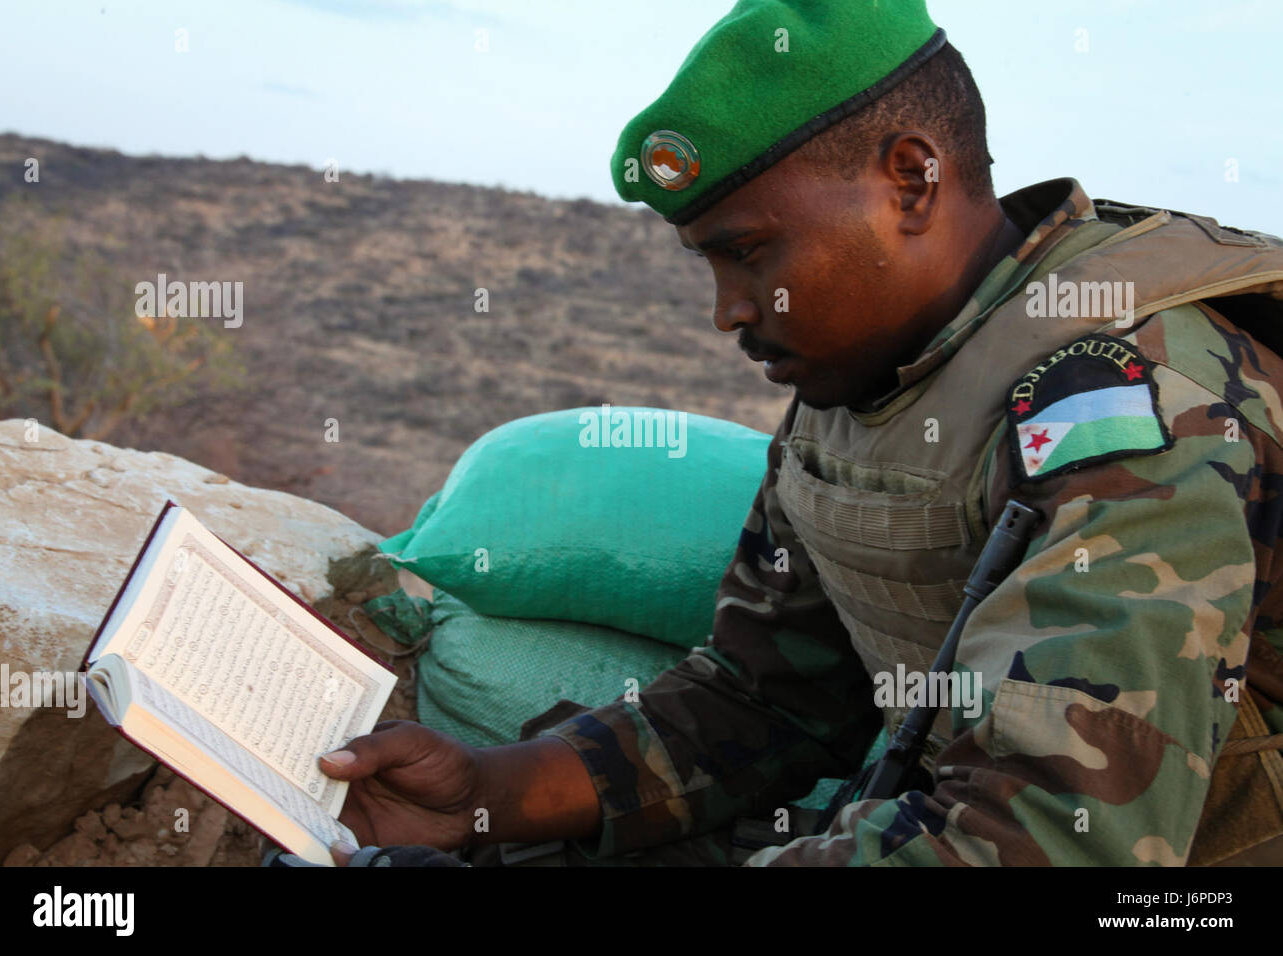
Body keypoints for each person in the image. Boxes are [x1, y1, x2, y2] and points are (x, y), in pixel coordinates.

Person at [310, 0, 1283, 867]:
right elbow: (766, 696)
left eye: (748, 252)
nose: (729, 310)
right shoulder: (867, 382)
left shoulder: (1124, 394)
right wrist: (491, 794)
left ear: (910, 179)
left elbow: (1059, 830)